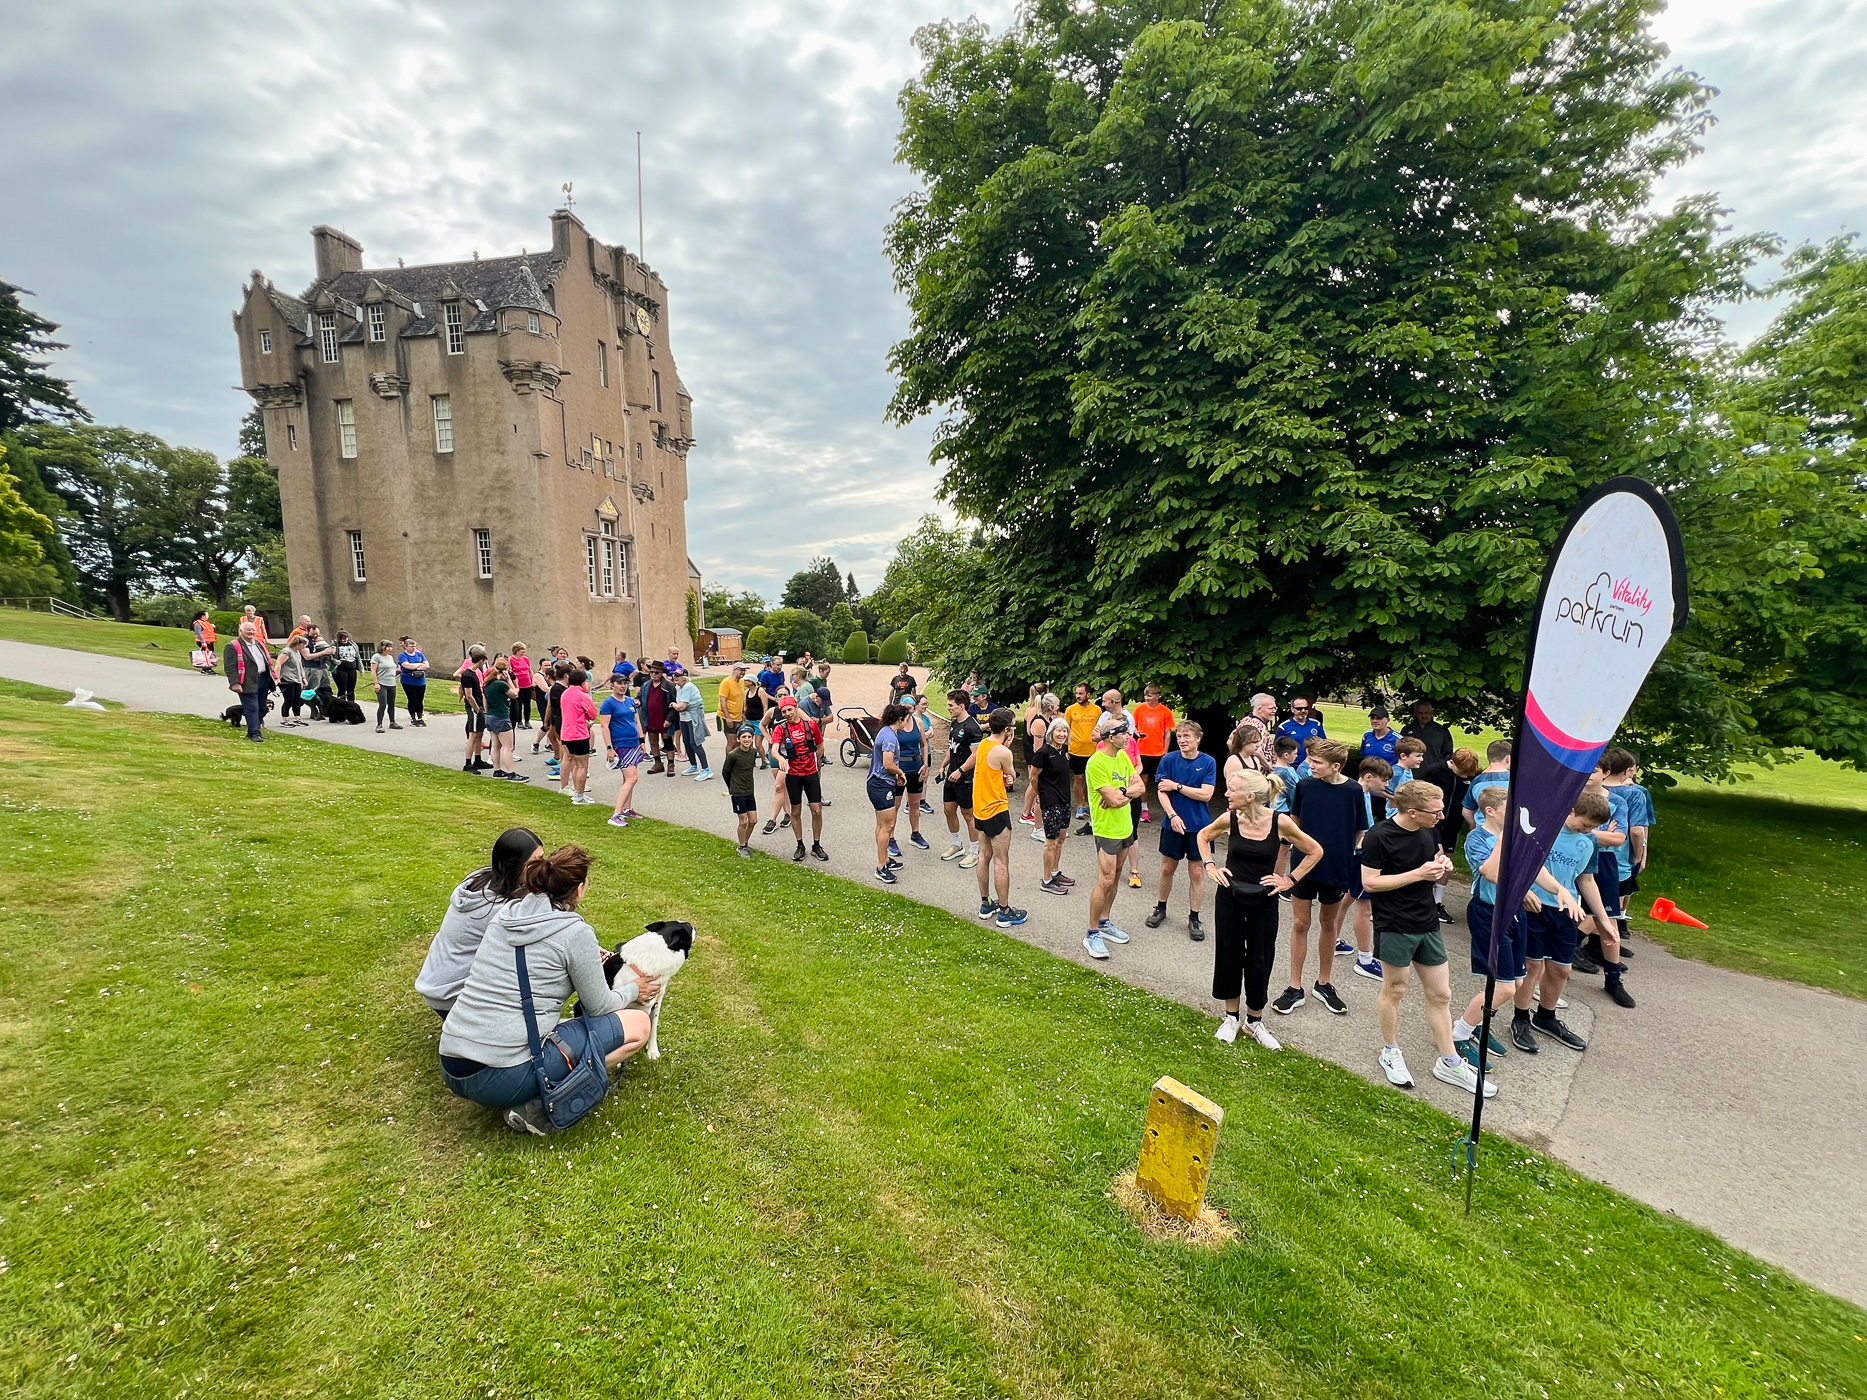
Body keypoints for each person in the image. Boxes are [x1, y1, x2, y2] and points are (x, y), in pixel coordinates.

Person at [438, 845, 659, 1135]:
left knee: (560, 1027)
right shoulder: (575, 933)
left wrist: (584, 955)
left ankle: (531, 1084)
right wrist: (634, 989)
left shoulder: (507, 915)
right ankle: (540, 1103)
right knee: (639, 1024)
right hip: (497, 1078)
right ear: (579, 890)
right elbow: (600, 1006)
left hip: (451, 1061)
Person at [1359, 780, 1496, 1098]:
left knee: (1441, 994)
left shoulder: (1428, 829)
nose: (1442, 816)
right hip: (1394, 923)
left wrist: (1441, 864)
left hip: (1427, 922)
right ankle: (1390, 1051)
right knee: (1396, 989)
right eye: (1435, 811)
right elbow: (1369, 882)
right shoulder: (1379, 837)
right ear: (1412, 812)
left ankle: (1449, 1061)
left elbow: (1432, 859)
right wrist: (1418, 874)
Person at [1457, 783, 1582, 1062]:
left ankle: (1478, 1025)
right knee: (1504, 987)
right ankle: (1460, 1033)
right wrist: (1505, 839)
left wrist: (1559, 889)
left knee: (1517, 979)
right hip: (1489, 913)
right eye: (1508, 812)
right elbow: (1491, 873)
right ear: (1490, 812)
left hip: (1514, 914)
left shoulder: (1518, 836)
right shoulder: (1478, 839)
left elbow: (1535, 869)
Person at [1199, 770, 1323, 1049]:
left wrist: (1289, 879)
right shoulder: (1230, 818)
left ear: (1250, 796)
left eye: (1232, 790)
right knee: (1229, 954)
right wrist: (1210, 866)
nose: (1226, 793)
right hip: (1229, 897)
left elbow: (1315, 850)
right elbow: (1204, 836)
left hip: (1264, 901)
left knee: (1260, 958)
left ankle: (1254, 1022)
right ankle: (1231, 1017)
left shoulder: (1281, 822)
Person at [1512, 791, 1614, 1053]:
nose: (1589, 830)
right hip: (1536, 906)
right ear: (1570, 812)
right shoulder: (1542, 832)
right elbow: (1522, 865)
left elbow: (1586, 879)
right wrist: (1525, 891)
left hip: (1566, 910)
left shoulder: (1588, 842)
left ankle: (1546, 1016)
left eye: (1593, 827)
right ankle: (1520, 1018)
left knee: (1561, 969)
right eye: (1586, 824)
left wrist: (1603, 919)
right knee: (1532, 965)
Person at [1274, 738, 1366, 1016]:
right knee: (1301, 924)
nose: (1310, 765)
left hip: (1336, 868)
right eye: (1310, 760)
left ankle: (1324, 983)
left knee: (1329, 924)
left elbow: (1359, 829)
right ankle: (1294, 987)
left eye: (1317, 763)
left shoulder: (1353, 790)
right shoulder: (1304, 786)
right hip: (1304, 867)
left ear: (1335, 766)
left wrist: (1345, 855)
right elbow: (1295, 824)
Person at [416, 828, 545, 1015]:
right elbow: (537, 944)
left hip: (436, 983)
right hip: (452, 996)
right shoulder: (499, 910)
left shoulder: (480, 878)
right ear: (514, 865)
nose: (543, 867)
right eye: (535, 862)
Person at [1147, 720, 1217, 940]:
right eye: (1180, 737)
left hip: (1199, 826)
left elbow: (1206, 794)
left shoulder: (1208, 762)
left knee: (1197, 872)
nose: (1183, 740)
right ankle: (1160, 908)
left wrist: (1177, 786)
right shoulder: (1168, 760)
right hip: (1173, 824)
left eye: (1187, 736)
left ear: (1198, 738)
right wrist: (1172, 815)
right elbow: (1161, 791)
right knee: (1167, 868)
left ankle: (1194, 917)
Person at [1082, 714, 1143, 959]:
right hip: (1106, 829)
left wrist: (1122, 793)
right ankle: (1092, 932)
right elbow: (1114, 800)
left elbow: (1136, 788)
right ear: (1110, 737)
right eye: (1124, 733)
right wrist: (1123, 795)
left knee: (1117, 875)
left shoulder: (1122, 757)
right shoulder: (1096, 763)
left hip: (1125, 825)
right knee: (1105, 880)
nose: (1129, 737)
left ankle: (1105, 921)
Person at [970, 707, 1027, 927]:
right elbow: (1011, 773)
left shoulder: (985, 745)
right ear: (1006, 729)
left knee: (984, 856)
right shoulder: (1004, 752)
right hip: (996, 809)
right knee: (1001, 861)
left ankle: (986, 903)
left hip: (980, 809)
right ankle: (1004, 910)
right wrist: (1008, 771)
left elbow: (995, 773)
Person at [1338, 757, 1391, 981]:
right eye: (1384, 780)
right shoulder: (1357, 793)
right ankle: (1365, 960)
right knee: (1365, 907)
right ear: (1369, 777)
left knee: (1350, 897)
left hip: (1359, 853)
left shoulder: (1363, 792)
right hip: (1360, 856)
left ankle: (1333, 939)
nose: (1386, 785)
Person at [773, 694, 829, 862]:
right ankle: (800, 844)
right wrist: (781, 759)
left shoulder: (810, 725)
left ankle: (816, 845)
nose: (787, 714)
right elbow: (775, 749)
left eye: (789, 710)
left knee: (816, 810)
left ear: (796, 708)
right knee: (795, 811)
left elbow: (820, 746)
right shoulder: (780, 729)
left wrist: (817, 763)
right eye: (783, 712)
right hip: (793, 775)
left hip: (810, 773)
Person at [939, 689, 985, 867]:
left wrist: (960, 770)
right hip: (951, 776)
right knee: (948, 810)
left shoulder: (972, 727)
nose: (948, 708)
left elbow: (975, 755)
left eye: (951, 705)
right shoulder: (954, 724)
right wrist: (943, 765)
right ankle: (957, 845)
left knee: (968, 815)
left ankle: (974, 851)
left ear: (961, 706)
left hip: (966, 778)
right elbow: (952, 749)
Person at [868, 702, 910, 884]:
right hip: (881, 785)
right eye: (906, 719)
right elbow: (888, 764)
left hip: (878, 783)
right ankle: (881, 867)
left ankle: (884, 859)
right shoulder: (890, 738)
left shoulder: (886, 731)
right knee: (888, 826)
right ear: (900, 719)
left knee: (881, 825)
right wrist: (900, 773)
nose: (907, 722)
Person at [1034, 714, 1075, 896]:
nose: (1062, 733)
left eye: (1065, 730)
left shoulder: (1064, 750)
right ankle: (1046, 879)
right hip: (1051, 801)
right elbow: (1033, 777)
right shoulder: (1043, 752)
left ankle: (1055, 871)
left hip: (1065, 799)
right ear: (1052, 732)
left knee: (1061, 837)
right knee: (1050, 841)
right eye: (1059, 730)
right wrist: (1040, 794)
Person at [600, 675, 645, 827]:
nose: (623, 686)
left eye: (625, 683)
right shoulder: (608, 703)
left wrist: (642, 740)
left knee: (627, 779)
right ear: (612, 685)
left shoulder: (630, 701)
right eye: (619, 683)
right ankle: (616, 814)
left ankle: (626, 809)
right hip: (621, 745)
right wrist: (609, 748)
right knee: (632, 778)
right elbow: (604, 727)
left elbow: (636, 721)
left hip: (634, 743)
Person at [223, 619, 276, 741]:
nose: (251, 632)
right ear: (241, 631)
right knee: (251, 707)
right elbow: (230, 667)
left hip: (263, 679)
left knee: (262, 707)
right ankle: (253, 733)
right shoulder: (233, 646)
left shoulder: (259, 644)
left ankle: (256, 730)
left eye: (253, 630)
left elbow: (267, 662)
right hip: (246, 681)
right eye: (248, 630)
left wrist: (274, 678)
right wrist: (235, 683)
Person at [1132, 683, 1176, 824]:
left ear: (1157, 696)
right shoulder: (1139, 709)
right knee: (1142, 780)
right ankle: (1144, 808)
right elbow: (1134, 727)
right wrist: (1137, 732)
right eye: (1145, 695)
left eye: (1150, 695)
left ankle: (1168, 810)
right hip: (1142, 751)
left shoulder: (1165, 711)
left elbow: (1168, 733)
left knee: (1163, 782)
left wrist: (1165, 752)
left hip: (1158, 753)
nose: (1147, 698)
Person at [893, 692, 931, 851]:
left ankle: (915, 834)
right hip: (899, 769)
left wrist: (925, 764)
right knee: (894, 805)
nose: (907, 711)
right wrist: (894, 769)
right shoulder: (895, 724)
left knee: (915, 803)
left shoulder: (919, 722)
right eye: (904, 708)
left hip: (915, 767)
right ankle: (890, 837)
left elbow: (923, 744)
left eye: (910, 708)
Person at [557, 666, 599, 805]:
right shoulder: (582, 695)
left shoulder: (565, 693)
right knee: (582, 766)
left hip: (566, 733)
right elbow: (592, 713)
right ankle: (579, 796)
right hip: (579, 734)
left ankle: (577, 792)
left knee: (574, 763)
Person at [1063, 684, 1102, 826]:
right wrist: (1065, 749)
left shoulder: (1097, 710)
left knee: (1091, 779)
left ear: (1089, 695)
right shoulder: (1070, 710)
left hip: (1093, 750)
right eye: (1077, 693)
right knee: (1078, 778)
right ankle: (1080, 805)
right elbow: (1065, 730)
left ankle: (1089, 803)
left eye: (1081, 693)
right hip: (1075, 750)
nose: (1078, 696)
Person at [481, 657, 525, 782]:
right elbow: (515, 694)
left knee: (495, 745)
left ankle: (497, 770)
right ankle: (511, 773)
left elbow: (486, 703)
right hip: (501, 716)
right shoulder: (501, 684)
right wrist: (509, 680)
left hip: (490, 716)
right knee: (508, 747)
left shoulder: (487, 684)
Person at [721, 723, 762, 857]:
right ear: (738, 739)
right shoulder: (733, 755)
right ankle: (741, 846)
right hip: (738, 793)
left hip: (750, 791)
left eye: (749, 737)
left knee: (753, 820)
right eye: (743, 737)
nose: (747, 739)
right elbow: (725, 772)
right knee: (743, 820)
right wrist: (732, 787)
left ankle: (746, 842)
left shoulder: (753, 752)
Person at [1024, 693, 1059, 830]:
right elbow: (1037, 748)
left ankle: (1033, 814)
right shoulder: (1039, 722)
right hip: (1039, 760)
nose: (1058, 707)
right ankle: (1028, 814)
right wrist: (1043, 764)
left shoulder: (1049, 719)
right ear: (1050, 706)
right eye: (1057, 705)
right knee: (1036, 787)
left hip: (1047, 759)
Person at [1461, 740, 1513, 826]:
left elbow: (1466, 811)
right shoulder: (1515, 781)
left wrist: (1475, 826)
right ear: (1508, 758)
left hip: (1483, 830)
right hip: (1508, 831)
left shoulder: (1477, 781)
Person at [674, 671, 712, 780]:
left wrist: (673, 705)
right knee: (686, 742)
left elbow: (681, 706)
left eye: (678, 676)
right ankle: (694, 766)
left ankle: (706, 769)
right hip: (684, 718)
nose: (675, 678)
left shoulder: (688, 687)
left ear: (684, 678)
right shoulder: (679, 688)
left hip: (693, 717)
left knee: (695, 742)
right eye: (674, 675)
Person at [457, 645, 489, 773]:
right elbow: (469, 695)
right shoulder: (468, 675)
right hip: (473, 708)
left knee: (480, 733)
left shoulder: (475, 673)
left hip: (479, 706)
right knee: (473, 735)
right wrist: (477, 709)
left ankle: (478, 758)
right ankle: (468, 763)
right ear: (481, 661)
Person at [1401, 699, 1453, 769]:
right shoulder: (1406, 730)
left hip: (1435, 773)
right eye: (1420, 713)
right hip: (1413, 772)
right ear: (1415, 713)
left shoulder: (1442, 731)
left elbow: (1448, 753)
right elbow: (1401, 750)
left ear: (1432, 712)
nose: (1424, 716)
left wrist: (1440, 767)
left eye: (1426, 712)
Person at [277, 636, 312, 727]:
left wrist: (303, 677)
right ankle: (285, 719)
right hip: (287, 679)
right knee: (289, 699)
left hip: (296, 679)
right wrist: (276, 678)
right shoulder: (286, 652)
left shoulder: (297, 653)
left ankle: (297, 718)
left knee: (297, 699)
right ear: (298, 644)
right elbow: (278, 664)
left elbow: (299, 666)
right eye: (303, 645)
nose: (304, 647)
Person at [641, 661, 670, 772]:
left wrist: (669, 718)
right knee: (653, 741)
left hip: (664, 718)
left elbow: (672, 701)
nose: (653, 675)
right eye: (651, 672)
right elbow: (640, 697)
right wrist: (637, 701)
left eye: (656, 673)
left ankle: (670, 764)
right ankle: (658, 763)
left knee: (667, 742)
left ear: (662, 673)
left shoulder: (668, 685)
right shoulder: (646, 685)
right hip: (650, 718)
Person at [396, 638, 430, 727]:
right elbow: (406, 666)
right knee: (412, 699)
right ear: (406, 646)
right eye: (411, 646)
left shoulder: (420, 654)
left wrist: (415, 666)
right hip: (408, 680)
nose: (413, 648)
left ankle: (420, 717)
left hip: (421, 680)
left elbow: (427, 665)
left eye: (414, 646)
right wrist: (419, 665)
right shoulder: (402, 655)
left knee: (420, 699)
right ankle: (413, 718)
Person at [303, 625, 336, 711]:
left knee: (326, 689)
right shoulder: (304, 640)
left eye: (317, 634)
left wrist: (331, 651)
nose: (315, 636)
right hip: (312, 667)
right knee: (313, 690)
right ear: (307, 632)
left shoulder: (320, 638)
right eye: (313, 634)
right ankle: (314, 710)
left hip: (323, 666)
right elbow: (307, 656)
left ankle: (325, 708)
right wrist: (324, 652)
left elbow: (326, 648)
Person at [370, 640, 400, 731]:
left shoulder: (390, 657)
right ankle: (379, 725)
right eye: (388, 647)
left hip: (392, 683)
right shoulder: (376, 657)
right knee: (382, 704)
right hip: (382, 684)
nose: (390, 649)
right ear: (382, 647)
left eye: (391, 647)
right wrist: (376, 683)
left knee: (391, 704)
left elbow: (392, 669)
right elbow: (373, 671)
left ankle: (392, 722)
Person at [717, 663, 750, 732]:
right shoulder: (726, 682)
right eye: (741, 670)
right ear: (734, 670)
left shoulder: (741, 682)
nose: (743, 672)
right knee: (732, 741)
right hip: (728, 716)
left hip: (738, 716)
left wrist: (743, 713)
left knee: (738, 740)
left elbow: (741, 698)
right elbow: (723, 701)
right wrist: (728, 718)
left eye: (744, 670)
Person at [509, 644, 535, 729]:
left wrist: (532, 681)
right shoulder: (511, 659)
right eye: (522, 649)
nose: (524, 651)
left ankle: (527, 720)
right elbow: (511, 672)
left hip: (527, 683)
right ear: (516, 650)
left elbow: (530, 670)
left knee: (527, 703)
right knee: (519, 703)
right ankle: (519, 721)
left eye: (524, 649)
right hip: (518, 684)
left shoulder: (526, 659)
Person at [331, 629, 360, 702]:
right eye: (342, 638)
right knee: (342, 689)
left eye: (345, 638)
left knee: (351, 689)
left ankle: (351, 705)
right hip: (341, 669)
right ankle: (341, 706)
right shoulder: (334, 644)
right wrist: (335, 661)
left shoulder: (352, 644)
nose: (344, 640)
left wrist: (361, 668)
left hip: (352, 668)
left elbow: (358, 656)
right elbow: (329, 656)